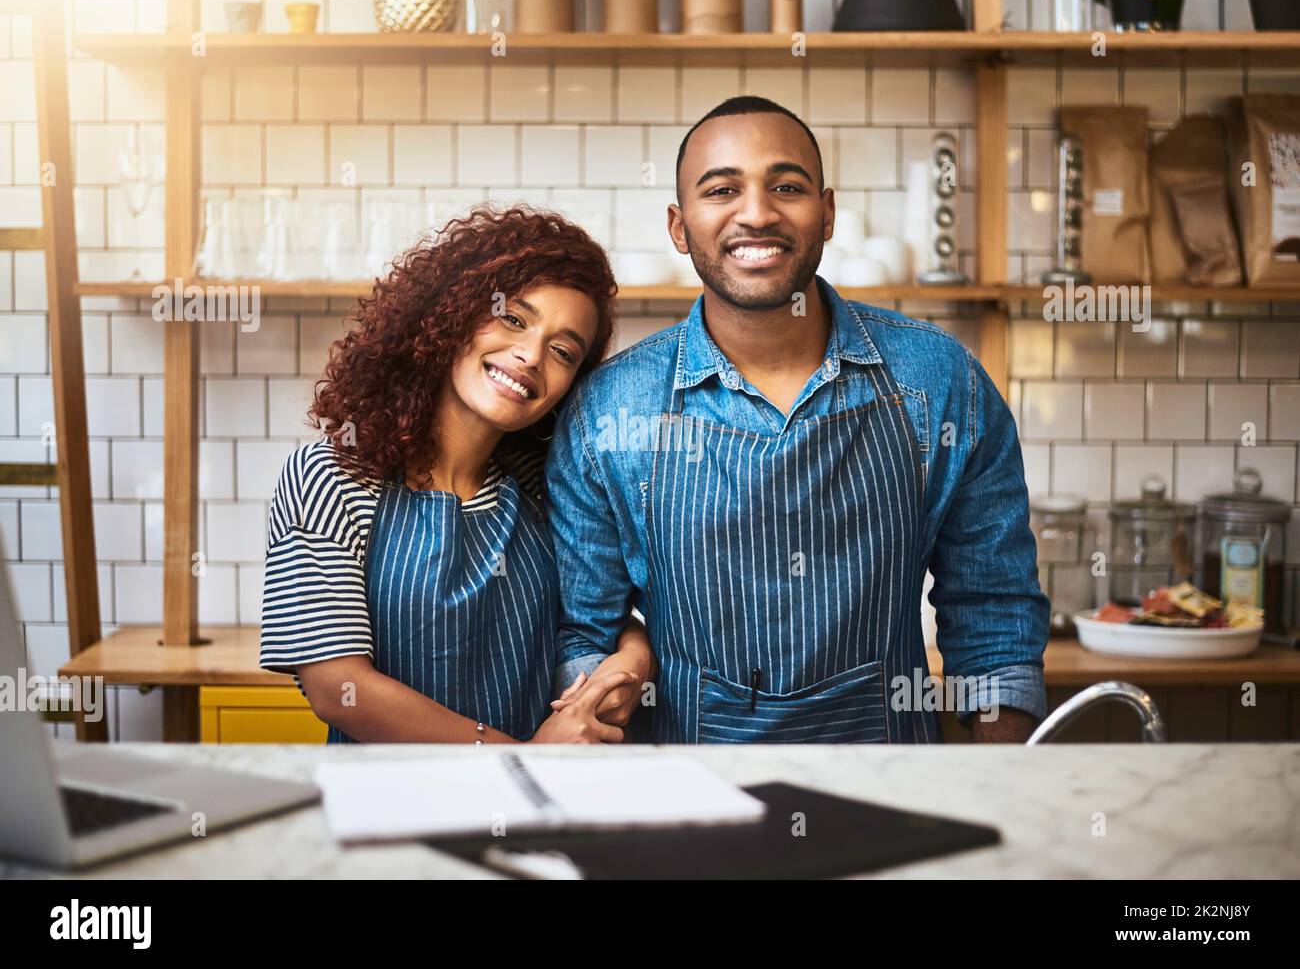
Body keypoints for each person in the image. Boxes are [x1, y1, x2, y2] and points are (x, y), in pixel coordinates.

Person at [547, 97, 1049, 743]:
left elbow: (994, 615)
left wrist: (996, 789)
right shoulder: (610, 411)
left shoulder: (941, 382)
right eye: (722, 190)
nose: (756, 213)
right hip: (693, 806)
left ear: (828, 213)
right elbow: (585, 633)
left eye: (786, 186)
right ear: (679, 228)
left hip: (894, 799)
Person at [258, 205, 656, 743]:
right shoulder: (332, 476)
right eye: (514, 319)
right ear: (451, 314)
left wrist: (632, 659)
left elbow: (593, 613)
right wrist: (522, 760)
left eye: (563, 351)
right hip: (390, 814)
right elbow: (337, 686)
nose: (530, 355)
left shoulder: (543, 488)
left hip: (532, 815)